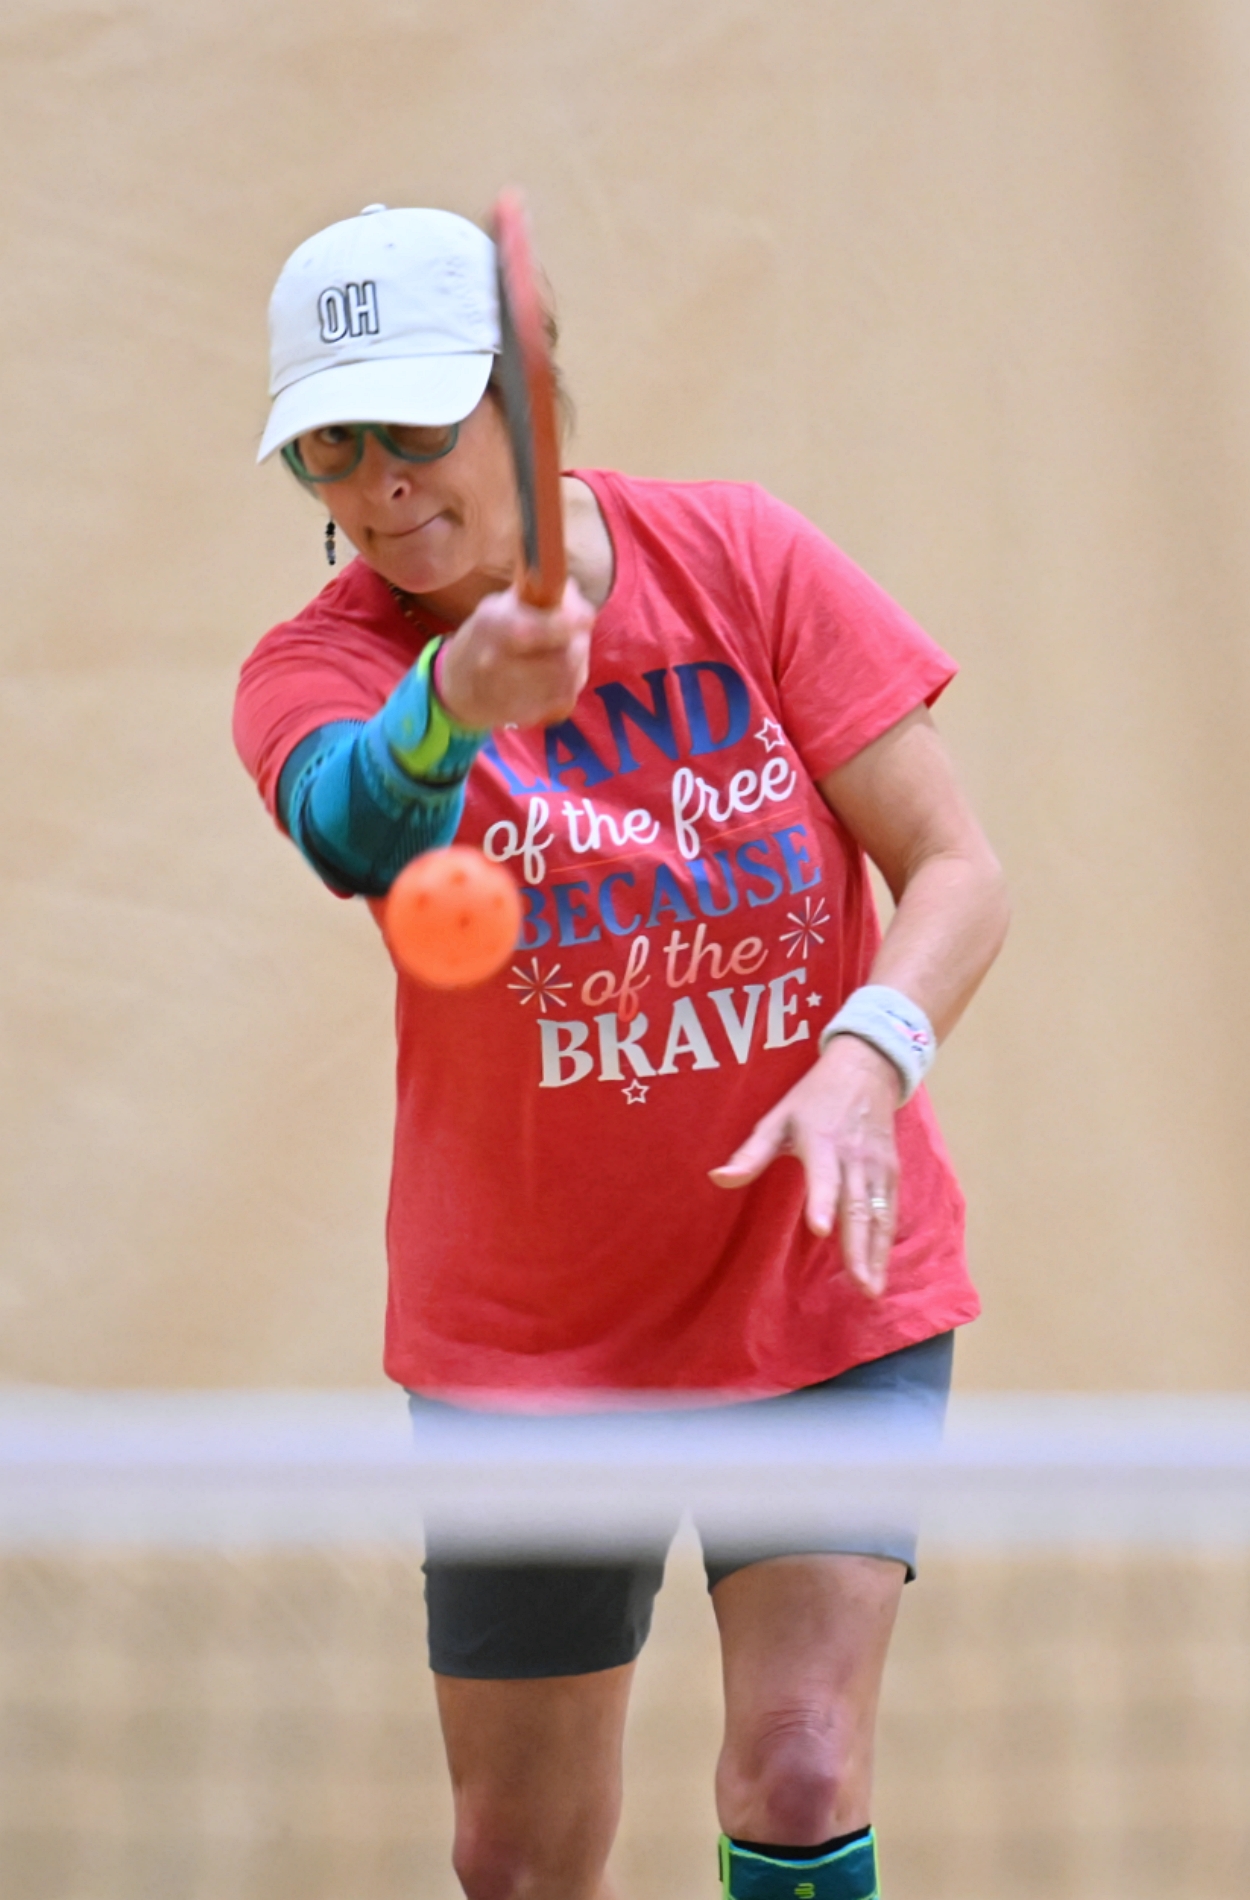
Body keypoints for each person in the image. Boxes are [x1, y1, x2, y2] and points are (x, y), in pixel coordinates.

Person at [234, 203, 1009, 1900]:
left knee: (801, 1768)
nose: (378, 490)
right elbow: (354, 827)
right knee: (515, 1861)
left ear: (528, 399)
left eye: (417, 433)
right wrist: (448, 706)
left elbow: (955, 867)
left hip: (811, 1284)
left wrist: (866, 1059)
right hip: (527, 1343)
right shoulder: (322, 669)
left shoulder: (743, 557)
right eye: (329, 452)